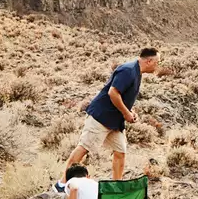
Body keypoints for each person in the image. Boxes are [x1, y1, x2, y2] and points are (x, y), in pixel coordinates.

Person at [66, 48, 159, 181]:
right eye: (157, 62)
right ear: (149, 61)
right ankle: (63, 183)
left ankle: (117, 185)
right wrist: (126, 113)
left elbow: (122, 95)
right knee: (84, 148)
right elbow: (113, 92)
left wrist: (130, 112)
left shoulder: (137, 72)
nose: (158, 65)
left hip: (115, 122)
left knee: (120, 152)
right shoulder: (128, 70)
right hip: (101, 117)